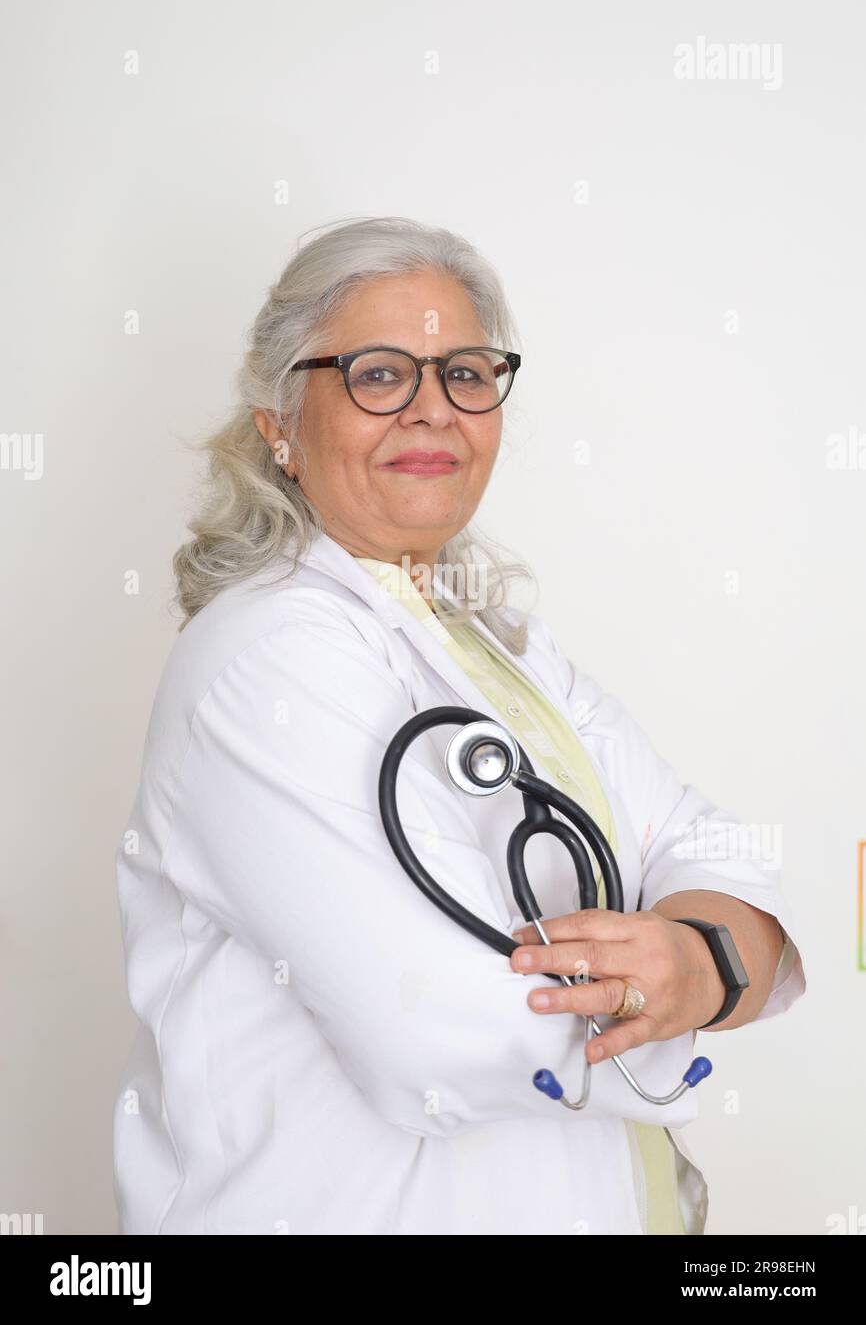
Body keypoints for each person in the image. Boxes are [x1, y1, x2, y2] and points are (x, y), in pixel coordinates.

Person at [113, 215, 806, 1235]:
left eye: (466, 374)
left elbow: (718, 852)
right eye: (379, 375)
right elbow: (433, 1028)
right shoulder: (262, 661)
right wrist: (693, 991)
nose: (432, 412)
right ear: (276, 420)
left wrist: (695, 960)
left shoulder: (499, 652)